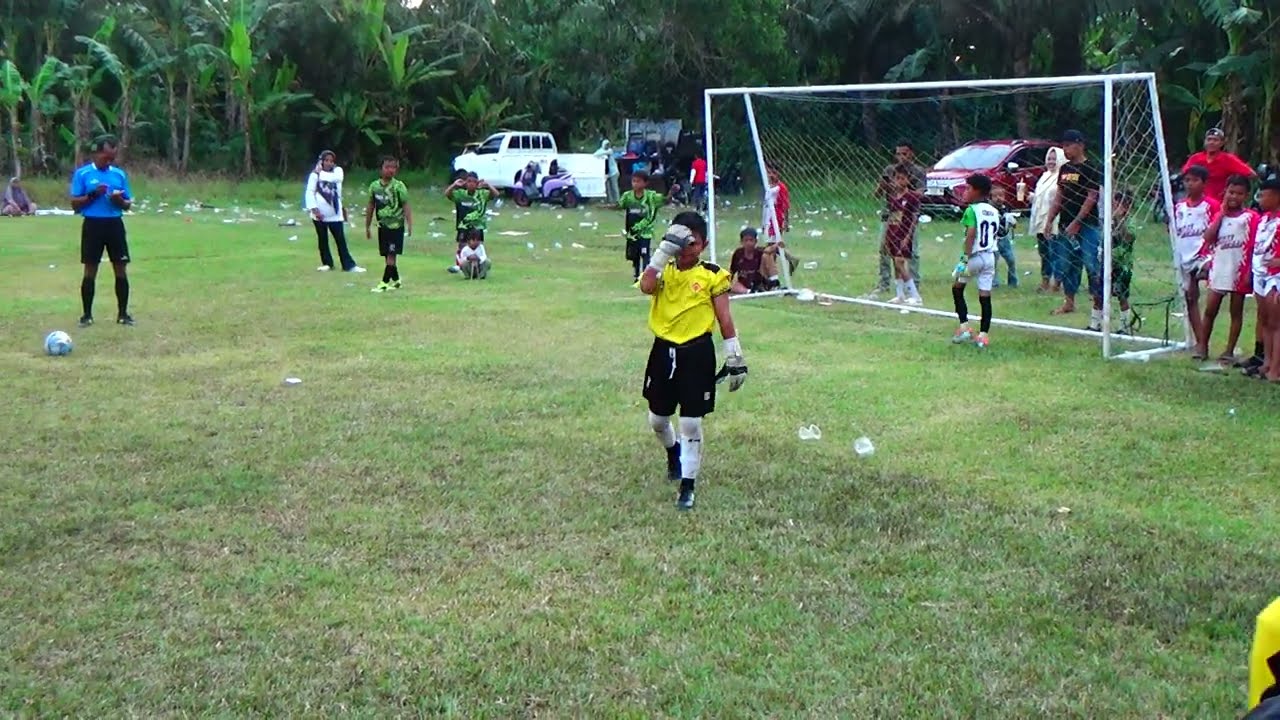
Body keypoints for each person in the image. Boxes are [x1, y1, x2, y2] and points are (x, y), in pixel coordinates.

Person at [637, 210, 746, 511]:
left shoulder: (713, 275)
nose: (687, 250)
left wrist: (735, 354)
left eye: (693, 243)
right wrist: (661, 254)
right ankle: (672, 452)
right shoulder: (663, 271)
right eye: (681, 243)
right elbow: (646, 287)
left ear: (704, 243)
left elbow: (724, 318)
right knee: (657, 419)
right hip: (663, 351)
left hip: (697, 353)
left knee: (690, 422)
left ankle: (688, 484)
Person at [69, 135, 134, 327]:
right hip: (93, 225)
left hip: (114, 224)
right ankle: (87, 315)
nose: (109, 161)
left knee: (120, 268)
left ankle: (123, 314)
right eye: (106, 157)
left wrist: (120, 201)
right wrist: (92, 195)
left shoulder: (119, 175)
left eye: (112, 157)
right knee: (90, 269)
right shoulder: (83, 174)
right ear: (96, 153)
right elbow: (74, 204)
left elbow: (128, 204)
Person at [1046, 129, 1103, 329]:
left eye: (1068, 145)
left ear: (1079, 145)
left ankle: (1099, 305)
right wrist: (1049, 220)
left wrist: (1078, 221)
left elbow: (1091, 197)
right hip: (1065, 223)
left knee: (1091, 263)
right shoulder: (1064, 169)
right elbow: (1059, 196)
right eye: (1063, 146)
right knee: (1068, 262)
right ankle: (1069, 302)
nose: (1065, 150)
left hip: (1088, 225)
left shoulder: (1092, 169)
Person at [1198, 175, 1256, 363]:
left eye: (1239, 194)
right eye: (1231, 192)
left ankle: (1229, 350)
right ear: (1225, 192)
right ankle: (1202, 346)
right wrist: (1221, 214)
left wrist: (1249, 272)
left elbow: (1255, 245)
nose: (1234, 197)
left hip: (1239, 270)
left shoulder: (1250, 217)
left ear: (1246, 196)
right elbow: (1208, 237)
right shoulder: (1220, 215)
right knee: (1210, 310)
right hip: (1219, 267)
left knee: (1236, 312)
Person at [1171, 165, 1220, 358]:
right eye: (1187, 180)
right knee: (1190, 298)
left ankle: (1205, 339)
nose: (1190, 184)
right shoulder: (1179, 206)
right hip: (1183, 257)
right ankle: (1201, 342)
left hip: (1205, 255)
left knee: (1212, 292)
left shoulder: (1211, 206)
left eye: (1194, 180)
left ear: (1204, 183)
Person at [951, 174, 999, 349]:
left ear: (977, 191)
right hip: (990, 257)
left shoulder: (972, 210)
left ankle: (964, 328)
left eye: (968, 188)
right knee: (985, 296)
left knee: (957, 288)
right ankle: (983, 336)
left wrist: (965, 257)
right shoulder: (994, 210)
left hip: (975, 256)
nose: (965, 192)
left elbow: (971, 233)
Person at [873, 142, 926, 295]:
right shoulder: (890, 170)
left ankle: (914, 284)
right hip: (889, 215)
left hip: (908, 216)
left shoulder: (918, 172)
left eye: (905, 153)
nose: (901, 157)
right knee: (885, 250)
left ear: (911, 154)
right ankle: (884, 283)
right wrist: (883, 186)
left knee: (911, 252)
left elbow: (921, 193)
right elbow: (876, 194)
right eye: (898, 154)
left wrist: (904, 189)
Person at [1243, 179, 1280, 380]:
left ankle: (1276, 368)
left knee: (1276, 322)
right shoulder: (1264, 219)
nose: (1261, 199)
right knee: (1265, 320)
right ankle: (1266, 363)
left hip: (1276, 275)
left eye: (1264, 195)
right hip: (1261, 273)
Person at [306, 150, 363, 273]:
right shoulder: (314, 175)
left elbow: (337, 178)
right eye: (326, 160)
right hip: (319, 214)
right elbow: (310, 192)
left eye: (331, 161)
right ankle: (327, 263)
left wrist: (319, 173)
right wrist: (314, 209)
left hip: (335, 214)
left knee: (340, 239)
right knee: (322, 239)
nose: (329, 163)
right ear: (321, 161)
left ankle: (348, 265)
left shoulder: (337, 171)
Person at [365, 156, 412, 293]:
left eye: (394, 167)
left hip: (396, 227)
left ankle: (384, 282)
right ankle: (396, 280)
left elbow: (406, 205)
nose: (390, 170)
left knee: (391, 255)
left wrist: (409, 224)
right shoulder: (374, 186)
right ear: (381, 168)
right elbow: (370, 206)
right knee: (387, 255)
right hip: (382, 226)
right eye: (387, 167)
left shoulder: (399, 186)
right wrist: (367, 226)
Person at [1181, 127, 1257, 202]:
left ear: (1222, 143)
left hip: (1219, 202)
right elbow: (1184, 173)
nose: (1211, 142)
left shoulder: (1228, 159)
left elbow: (1251, 174)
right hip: (1196, 201)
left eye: (1215, 140)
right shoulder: (1196, 158)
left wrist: (1233, 186)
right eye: (1209, 139)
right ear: (1205, 142)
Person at [883, 164, 923, 304]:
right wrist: (886, 237)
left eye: (902, 178)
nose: (899, 181)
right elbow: (891, 217)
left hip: (904, 234)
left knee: (900, 263)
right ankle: (899, 294)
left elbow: (913, 219)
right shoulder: (894, 198)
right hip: (893, 233)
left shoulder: (912, 197)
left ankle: (915, 295)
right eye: (897, 178)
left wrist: (908, 236)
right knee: (895, 263)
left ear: (908, 180)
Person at [619, 169, 667, 282]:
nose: (635, 184)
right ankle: (636, 275)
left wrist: (671, 193)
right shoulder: (628, 196)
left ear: (645, 183)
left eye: (638, 181)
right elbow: (621, 204)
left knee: (644, 253)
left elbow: (664, 200)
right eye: (634, 181)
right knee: (634, 254)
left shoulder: (651, 197)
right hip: (632, 231)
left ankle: (646, 275)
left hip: (645, 232)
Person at [1031, 147, 1066, 292]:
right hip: (1041, 219)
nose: (1051, 162)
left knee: (1055, 252)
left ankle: (1057, 282)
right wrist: (1032, 196)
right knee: (1044, 252)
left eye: (1054, 159)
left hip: (1055, 220)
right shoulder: (1044, 176)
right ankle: (1045, 279)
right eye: (1049, 159)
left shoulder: (1062, 176)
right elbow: (1041, 196)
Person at [445, 171, 496, 273]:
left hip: (478, 225)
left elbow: (495, 194)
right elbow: (447, 194)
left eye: (474, 182)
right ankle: (460, 266)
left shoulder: (482, 194)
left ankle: (477, 267)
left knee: (477, 246)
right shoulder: (460, 194)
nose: (471, 184)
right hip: (463, 225)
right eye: (468, 181)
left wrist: (488, 185)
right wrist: (454, 185)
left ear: (477, 183)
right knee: (462, 246)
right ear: (465, 183)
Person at [1109, 189, 1136, 334]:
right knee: (1099, 294)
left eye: (1121, 204)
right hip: (1107, 262)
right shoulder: (1109, 219)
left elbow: (1129, 238)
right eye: (1115, 203)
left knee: (1122, 295)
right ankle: (1096, 323)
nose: (1117, 207)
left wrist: (1120, 221)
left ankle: (1124, 326)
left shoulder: (1130, 221)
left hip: (1123, 264)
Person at [989, 184, 1018, 288]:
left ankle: (1013, 281)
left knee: (1011, 259)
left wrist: (1012, 222)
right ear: (990, 197)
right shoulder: (989, 210)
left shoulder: (1006, 208)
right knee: (993, 262)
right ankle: (994, 282)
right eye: (995, 196)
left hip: (1004, 238)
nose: (998, 198)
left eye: (1001, 195)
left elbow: (1012, 223)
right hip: (993, 239)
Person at [729, 227, 766, 293]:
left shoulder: (760, 252)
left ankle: (762, 288)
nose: (748, 243)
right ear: (741, 242)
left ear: (756, 241)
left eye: (751, 240)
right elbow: (732, 271)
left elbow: (774, 250)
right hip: (743, 285)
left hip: (759, 283)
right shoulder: (738, 254)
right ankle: (750, 292)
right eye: (746, 240)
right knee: (732, 286)